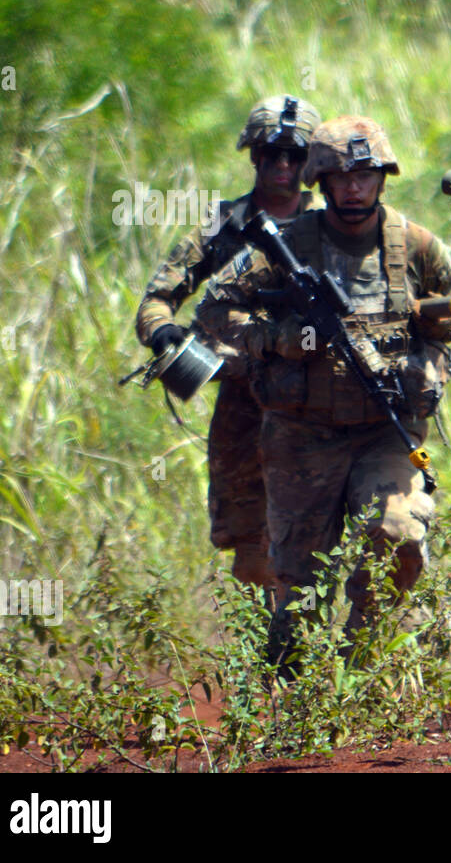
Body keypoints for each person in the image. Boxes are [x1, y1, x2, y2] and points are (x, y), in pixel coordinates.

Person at [196, 116, 451, 676]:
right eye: (340, 176)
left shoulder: (416, 246)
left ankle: (364, 661)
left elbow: (448, 319)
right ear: (319, 181)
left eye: (364, 174)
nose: (353, 187)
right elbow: (216, 309)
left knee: (400, 535)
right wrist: (279, 339)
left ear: (383, 178)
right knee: (298, 592)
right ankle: (296, 703)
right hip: (301, 434)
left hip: (384, 432)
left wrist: (428, 372)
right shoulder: (287, 244)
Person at [135, 94, 322, 590]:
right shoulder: (221, 226)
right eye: (270, 154)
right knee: (247, 543)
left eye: (295, 156)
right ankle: (266, 653)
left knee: (322, 532)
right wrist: (163, 332)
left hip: (319, 398)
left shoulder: (333, 222)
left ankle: (312, 648)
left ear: (310, 163)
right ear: (253, 156)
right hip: (243, 397)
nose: (283, 165)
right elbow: (157, 297)